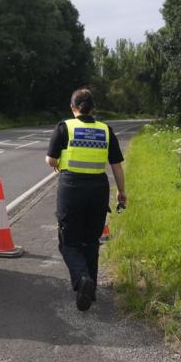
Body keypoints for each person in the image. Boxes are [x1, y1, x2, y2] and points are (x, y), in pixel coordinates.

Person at [45, 88, 126, 311]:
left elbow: (51, 160)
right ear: (93, 108)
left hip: (71, 188)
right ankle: (91, 292)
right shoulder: (105, 130)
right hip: (98, 189)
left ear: (73, 108)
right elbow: (116, 165)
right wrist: (121, 192)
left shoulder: (65, 127)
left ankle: (82, 280)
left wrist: (60, 162)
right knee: (91, 240)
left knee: (69, 241)